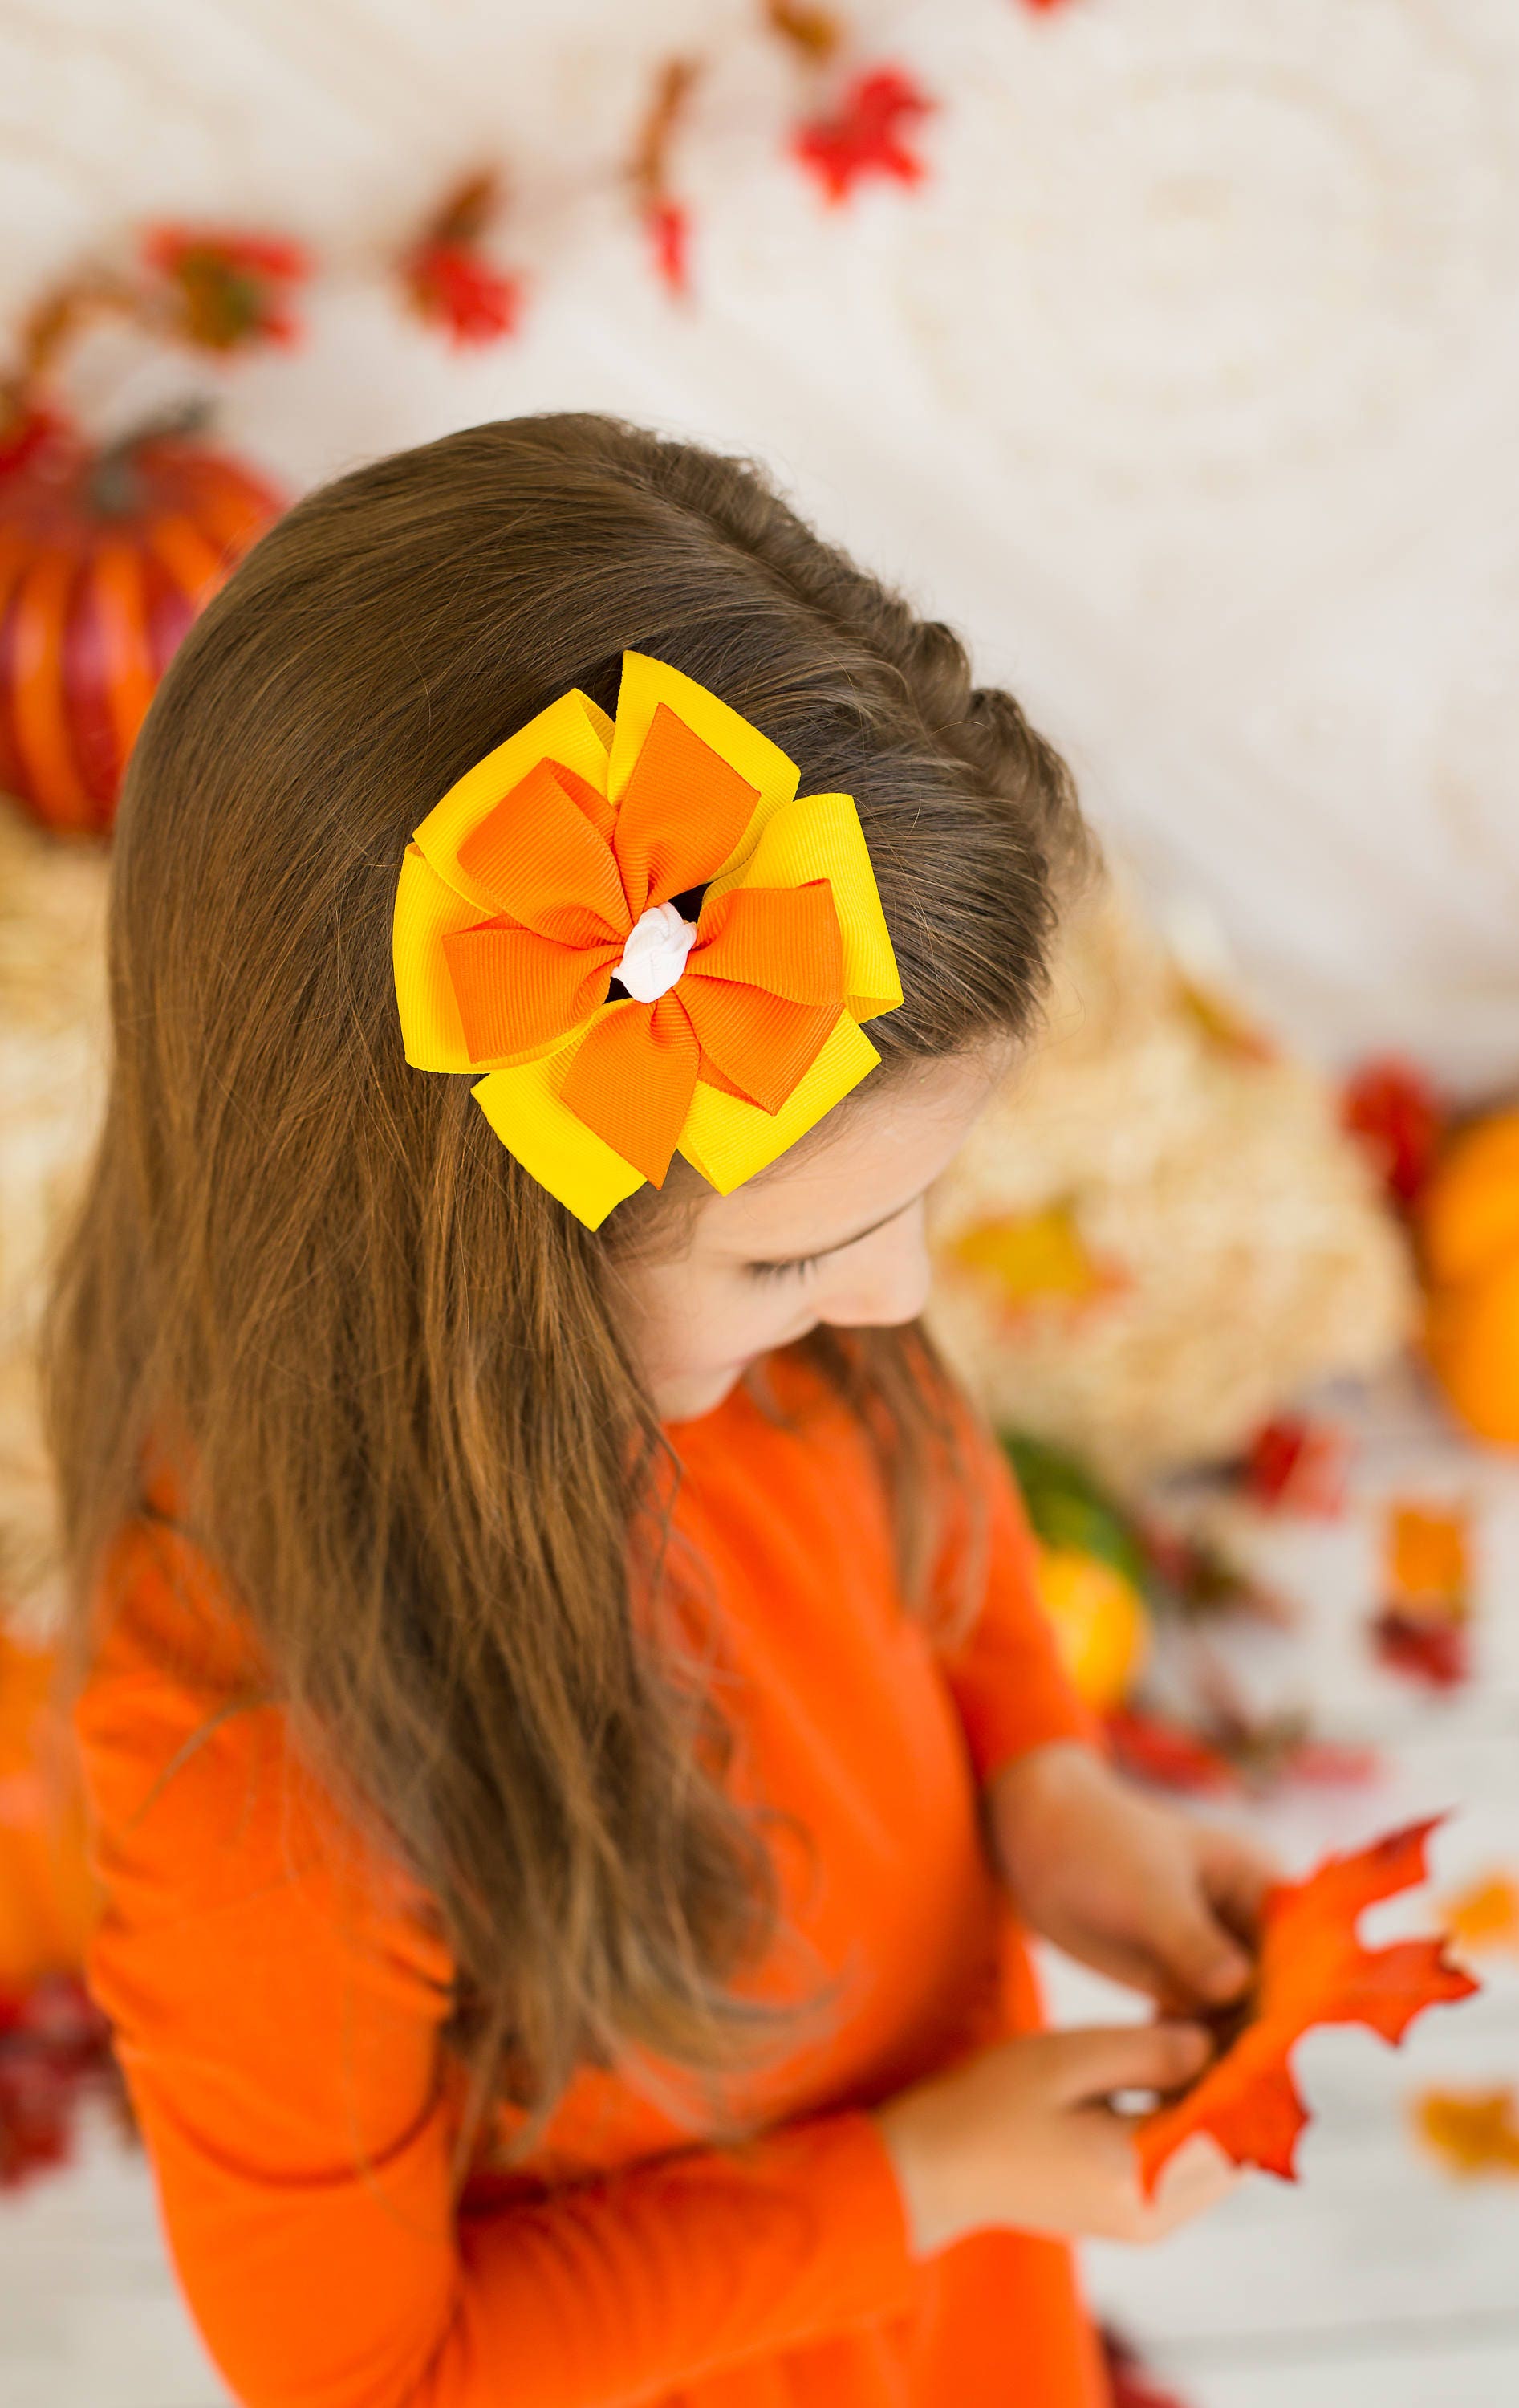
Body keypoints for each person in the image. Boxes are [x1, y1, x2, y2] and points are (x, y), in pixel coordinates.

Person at [47, 414, 1274, 2408]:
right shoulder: (264, 1769)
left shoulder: (762, 1335)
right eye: (794, 1262)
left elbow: (927, 1520)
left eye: (912, 1214)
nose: (891, 1304)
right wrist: (919, 2183)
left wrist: (1044, 1782)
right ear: (462, 1253)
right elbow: (369, 2374)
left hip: (945, 2304)